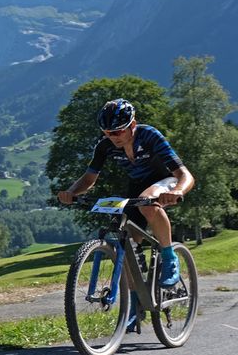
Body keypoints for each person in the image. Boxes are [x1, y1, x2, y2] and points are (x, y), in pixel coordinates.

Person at [57, 99, 194, 295]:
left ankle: (169, 255)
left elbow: (185, 174)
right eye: (107, 132)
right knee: (128, 245)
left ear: (133, 125)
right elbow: (89, 178)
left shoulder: (149, 136)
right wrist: (71, 193)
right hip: (137, 187)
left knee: (147, 203)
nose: (113, 137)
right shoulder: (105, 146)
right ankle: (136, 303)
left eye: (118, 131)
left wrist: (178, 191)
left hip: (166, 181)